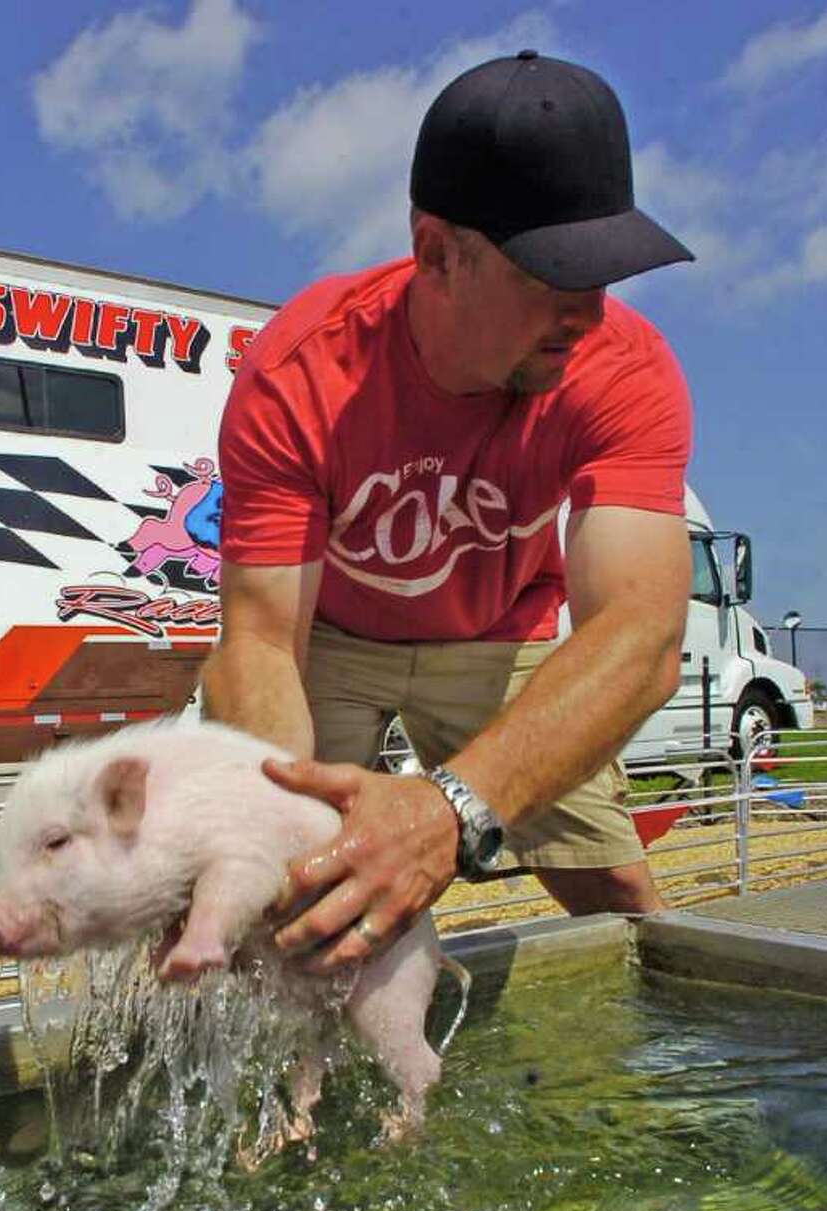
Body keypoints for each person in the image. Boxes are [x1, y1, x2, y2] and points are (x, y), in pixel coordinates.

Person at [202, 50, 696, 975]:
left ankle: (654, 1093)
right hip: (328, 639)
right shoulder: (300, 371)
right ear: (437, 252)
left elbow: (642, 633)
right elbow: (262, 641)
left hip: (498, 636)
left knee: (618, 890)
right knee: (285, 892)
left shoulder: (626, 370)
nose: (588, 313)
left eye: (605, 271)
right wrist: (280, 829)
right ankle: (277, 1098)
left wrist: (449, 809)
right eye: (554, 274)